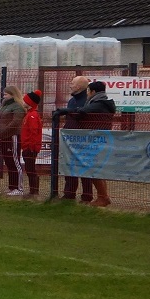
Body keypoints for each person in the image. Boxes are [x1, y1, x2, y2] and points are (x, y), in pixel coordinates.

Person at [51, 75, 93, 203]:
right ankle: (69, 193)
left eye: (72, 83)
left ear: (79, 86)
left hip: (82, 138)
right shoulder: (72, 100)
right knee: (69, 166)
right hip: (69, 138)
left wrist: (67, 112)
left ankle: (87, 195)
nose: (70, 85)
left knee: (84, 167)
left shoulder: (86, 100)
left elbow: (81, 114)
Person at [80, 80, 116, 208]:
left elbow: (83, 111)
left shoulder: (98, 104)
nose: (87, 94)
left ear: (93, 92)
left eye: (88, 91)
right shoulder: (103, 103)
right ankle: (103, 196)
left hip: (97, 139)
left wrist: (66, 111)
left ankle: (103, 197)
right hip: (99, 138)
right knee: (96, 168)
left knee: (94, 168)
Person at [0, 85, 26, 196]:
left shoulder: (18, 107)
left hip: (12, 136)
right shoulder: (5, 106)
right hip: (4, 137)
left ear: (12, 94)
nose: (4, 96)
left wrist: (5, 131)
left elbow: (16, 122)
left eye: (6, 94)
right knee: (8, 162)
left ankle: (19, 188)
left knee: (14, 161)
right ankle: (12, 187)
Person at [20, 90, 43, 198]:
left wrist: (31, 146)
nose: (23, 102)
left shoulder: (32, 115)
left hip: (30, 147)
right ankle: (33, 190)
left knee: (30, 169)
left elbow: (34, 133)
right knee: (29, 169)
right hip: (27, 146)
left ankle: (34, 191)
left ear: (30, 103)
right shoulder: (29, 114)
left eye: (25, 101)